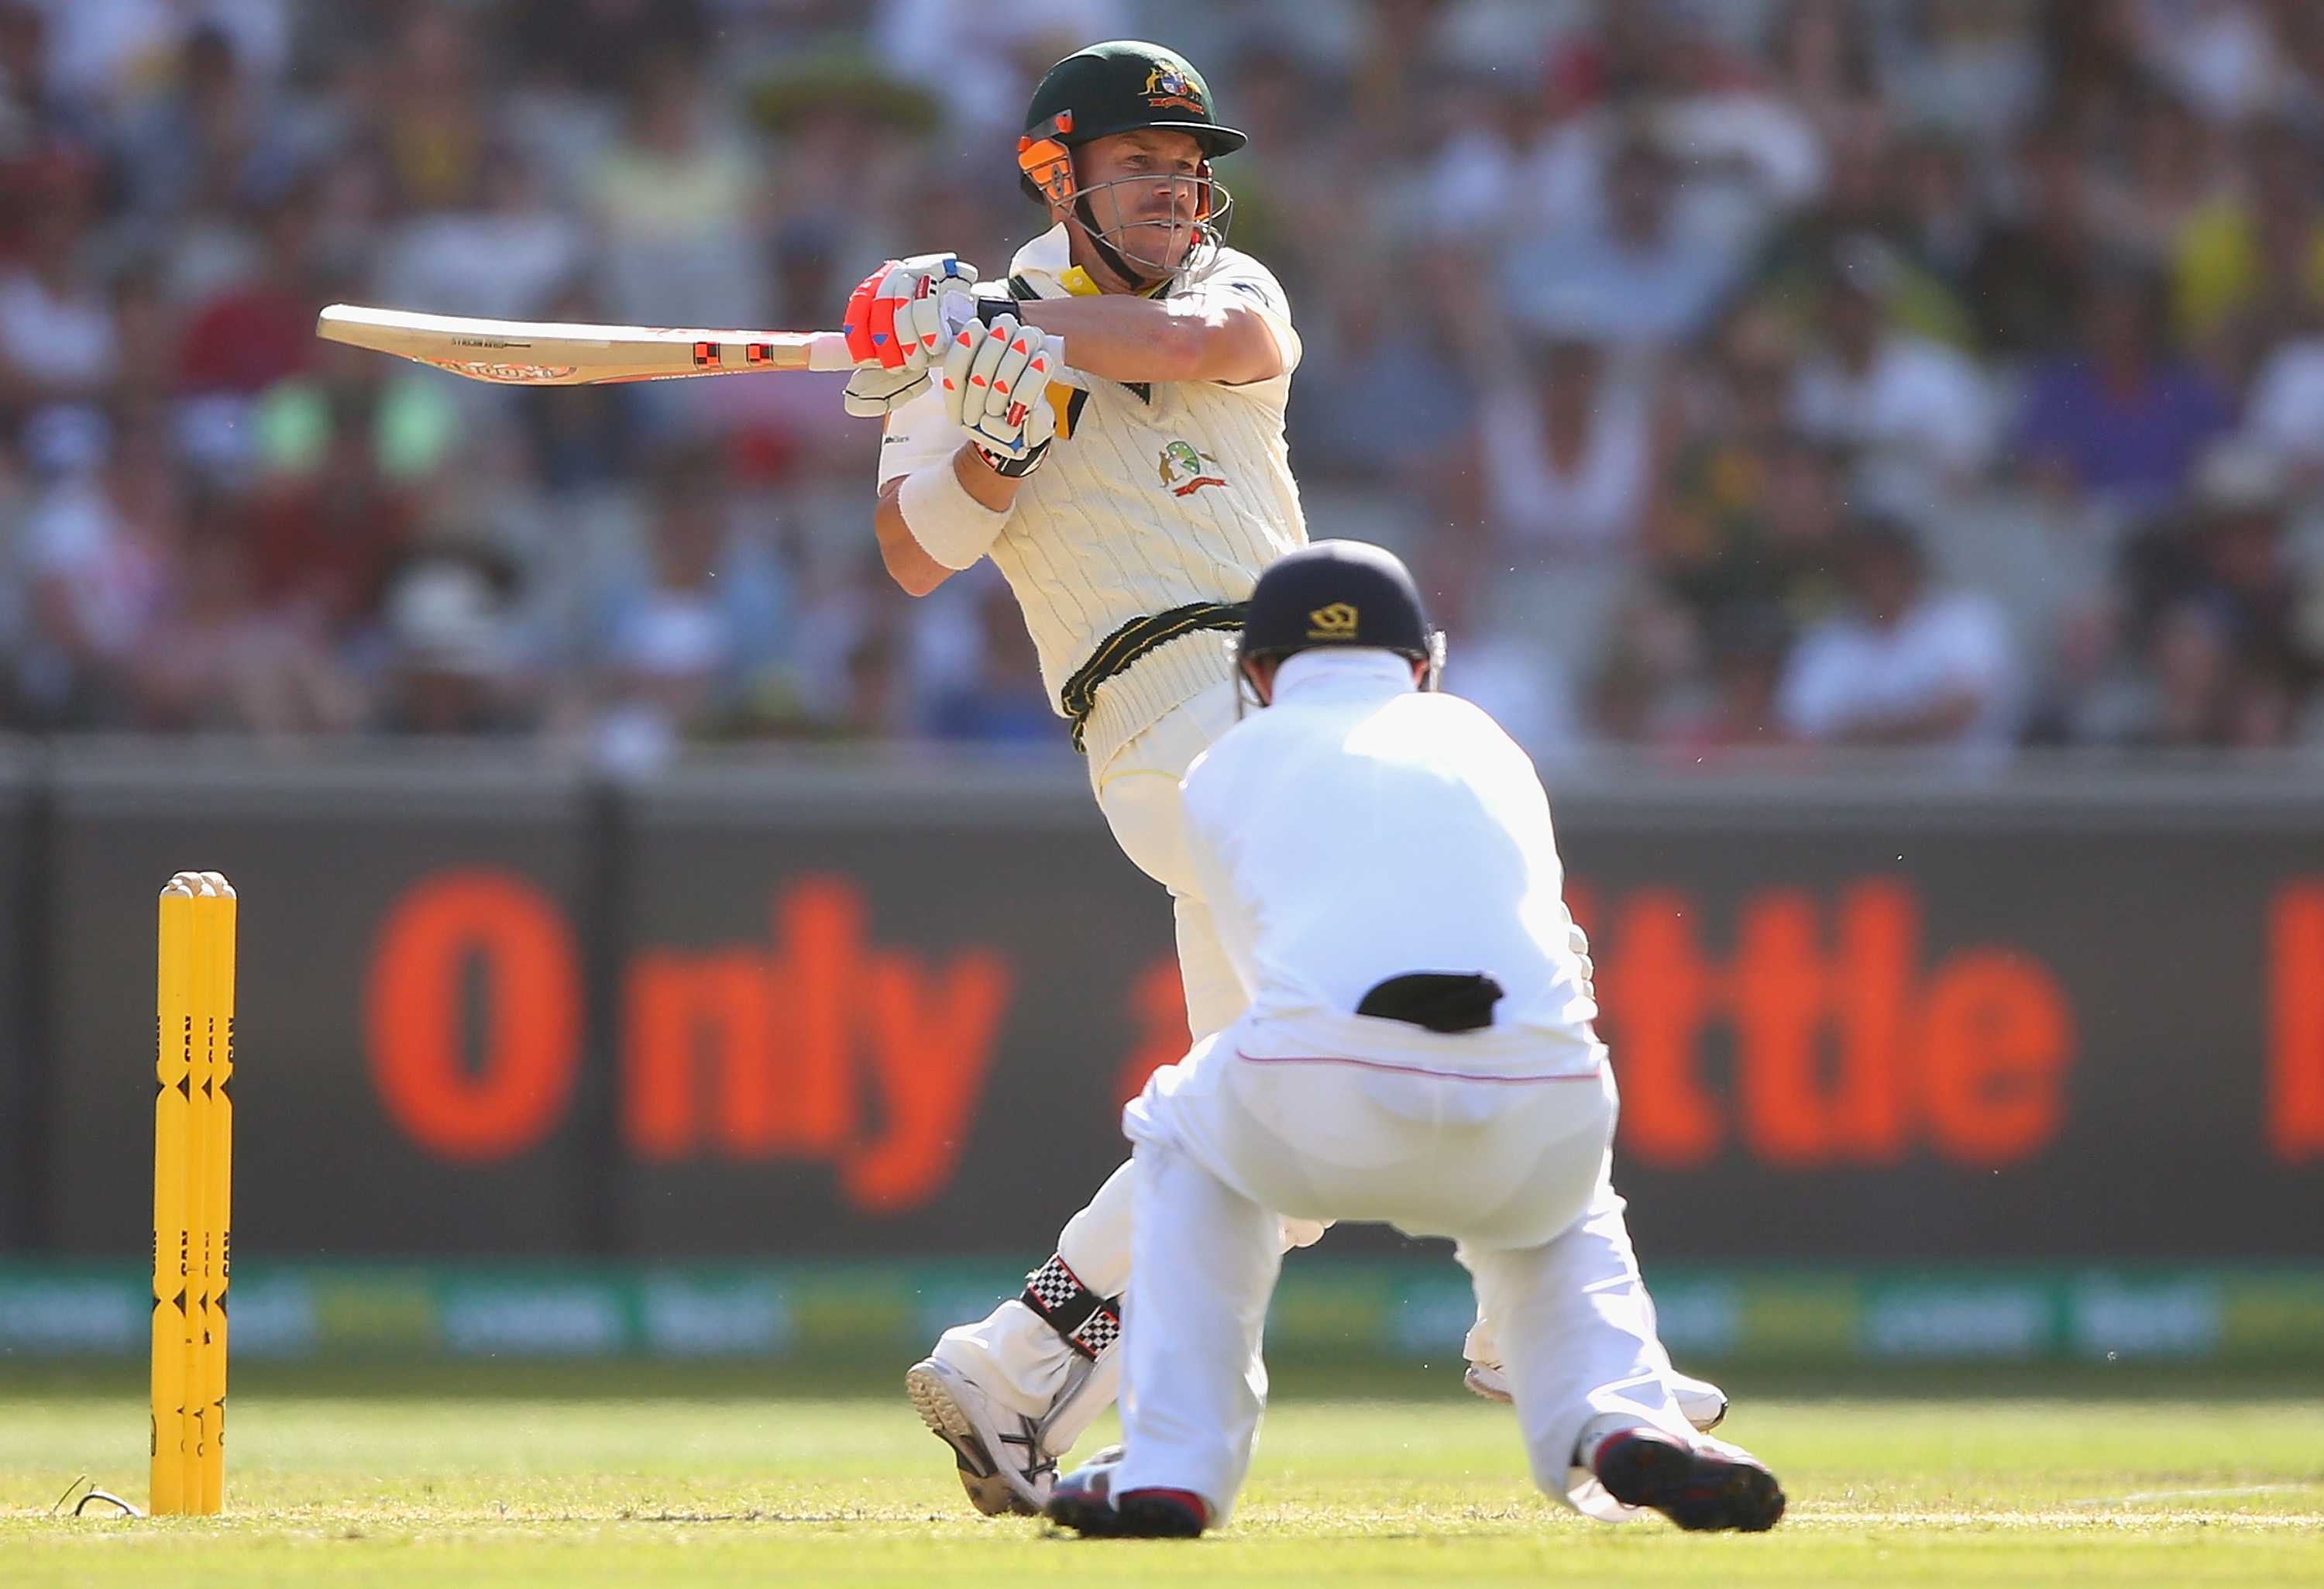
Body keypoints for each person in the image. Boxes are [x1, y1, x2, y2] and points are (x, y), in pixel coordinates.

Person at [838, 41, 1726, 1518]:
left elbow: (1194, 355)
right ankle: (1537, 1335)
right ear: (1056, 177)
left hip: (1299, 701)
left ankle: (1010, 1368)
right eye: (1141, 170)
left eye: (1193, 174)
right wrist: (992, 437)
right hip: (1166, 712)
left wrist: (1006, 326)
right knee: (1500, 937)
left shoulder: (1223, 297)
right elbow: (916, 550)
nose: (1180, 198)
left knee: (1276, 1148)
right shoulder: (975, 339)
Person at [1044, 541, 1786, 1539]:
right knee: (1564, 1204)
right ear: (1422, 665)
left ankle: (1175, 1465)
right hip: (1538, 1075)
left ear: (1256, 674)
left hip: (1327, 1082)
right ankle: (1620, 1410)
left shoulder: (1223, 767)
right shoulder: (1489, 743)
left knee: (1179, 1130)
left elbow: (1276, 973)